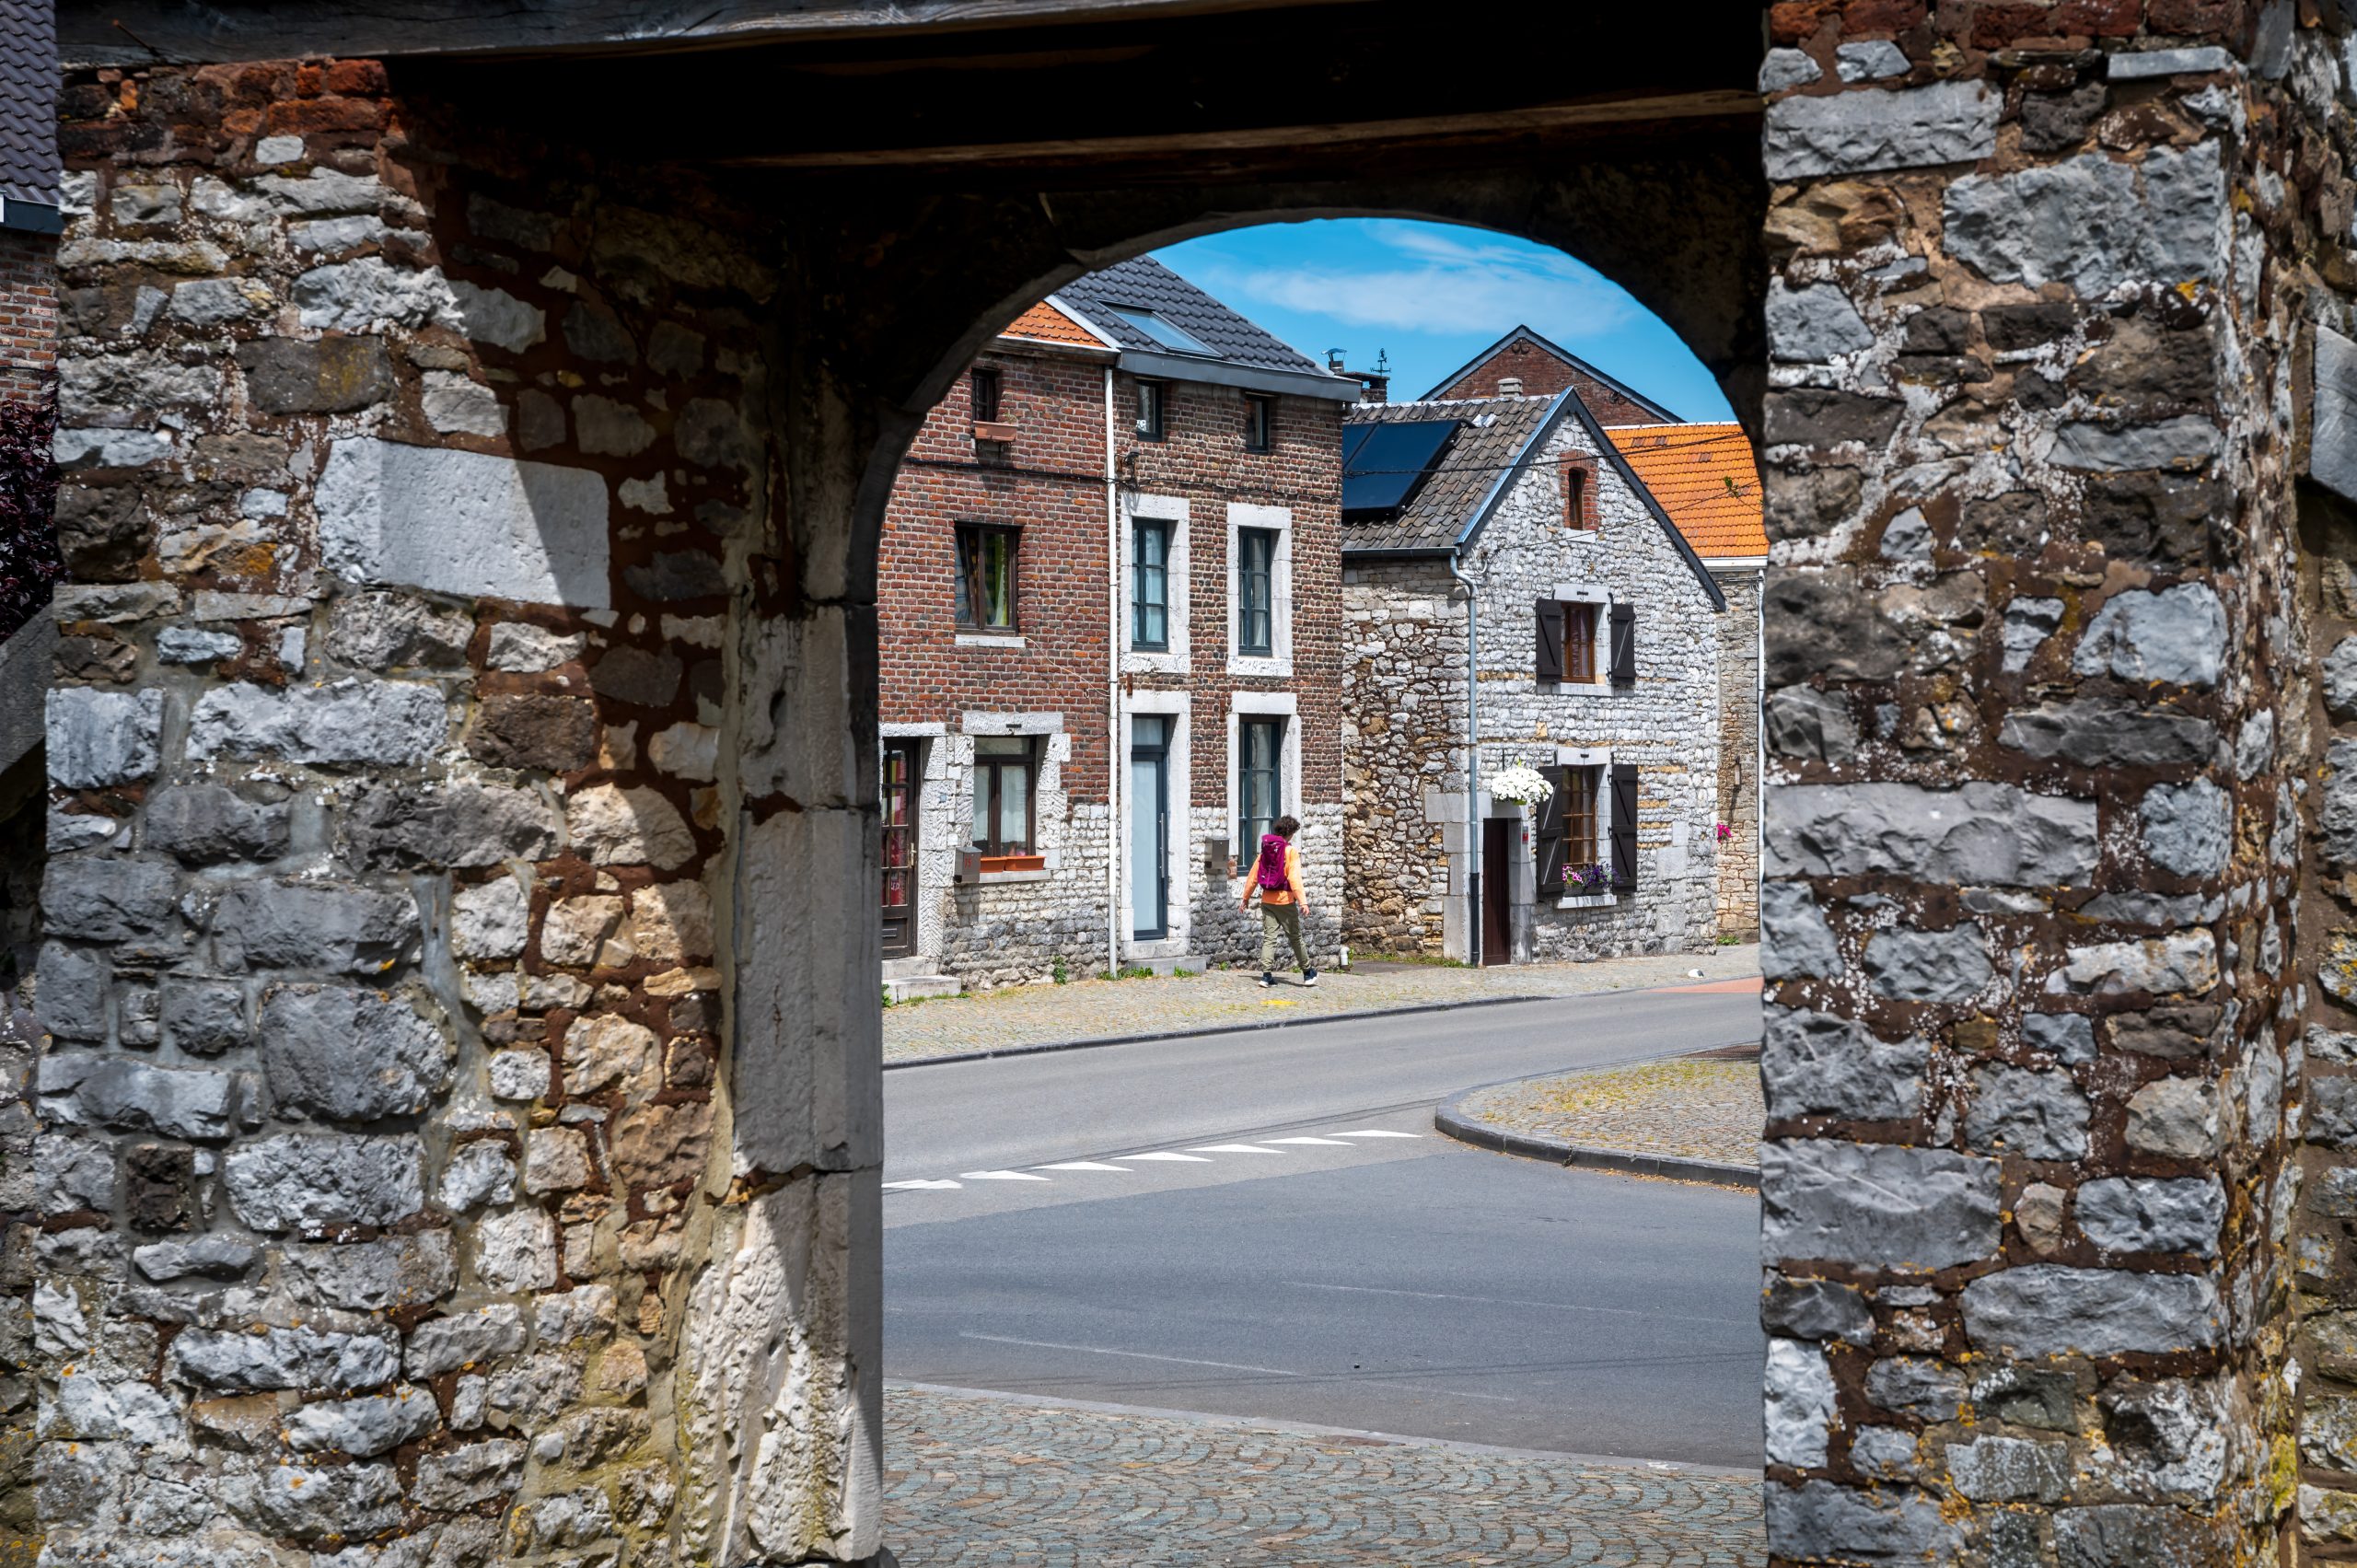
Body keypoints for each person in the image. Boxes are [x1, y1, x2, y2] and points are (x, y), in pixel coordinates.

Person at [1239, 815, 1317, 988]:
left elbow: (1253, 877)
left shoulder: (1266, 850)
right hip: (1285, 901)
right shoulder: (1290, 851)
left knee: (1269, 938)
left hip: (1267, 900)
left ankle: (1266, 976)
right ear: (1290, 833)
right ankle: (1307, 973)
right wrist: (1303, 902)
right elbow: (1294, 878)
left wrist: (1245, 899)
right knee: (1295, 938)